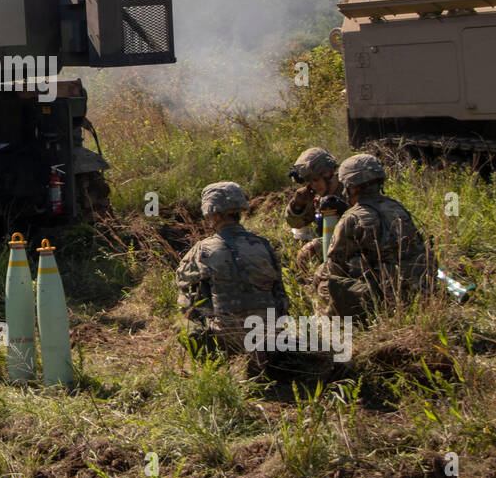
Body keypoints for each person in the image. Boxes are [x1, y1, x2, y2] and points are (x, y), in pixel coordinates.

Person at [314, 153, 435, 321]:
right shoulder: (398, 207)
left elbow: (335, 266)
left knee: (322, 278)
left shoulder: (351, 218)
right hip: (417, 289)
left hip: (382, 299)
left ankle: (328, 317)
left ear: (353, 187)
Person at [175, 181, 289, 358]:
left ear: (213, 214)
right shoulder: (263, 245)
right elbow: (280, 294)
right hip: (271, 339)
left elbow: (182, 284)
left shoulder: (202, 249)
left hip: (228, 340)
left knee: (182, 323)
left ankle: (213, 361)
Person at [285, 147, 344, 277]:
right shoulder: (316, 198)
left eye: (316, 180)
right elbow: (295, 224)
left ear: (330, 172)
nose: (314, 186)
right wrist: (298, 205)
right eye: (310, 182)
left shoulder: (349, 190)